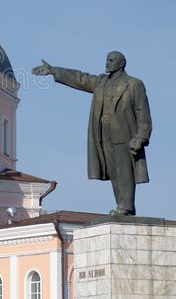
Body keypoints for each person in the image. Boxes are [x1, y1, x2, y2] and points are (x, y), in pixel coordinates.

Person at [32, 51, 152, 217]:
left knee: (125, 172)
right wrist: (54, 70)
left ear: (121, 63)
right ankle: (122, 206)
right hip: (104, 135)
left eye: (111, 60)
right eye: (107, 60)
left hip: (124, 135)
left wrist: (141, 137)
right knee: (114, 173)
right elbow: (80, 78)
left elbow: (142, 113)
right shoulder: (101, 82)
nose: (107, 63)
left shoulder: (134, 84)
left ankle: (126, 207)